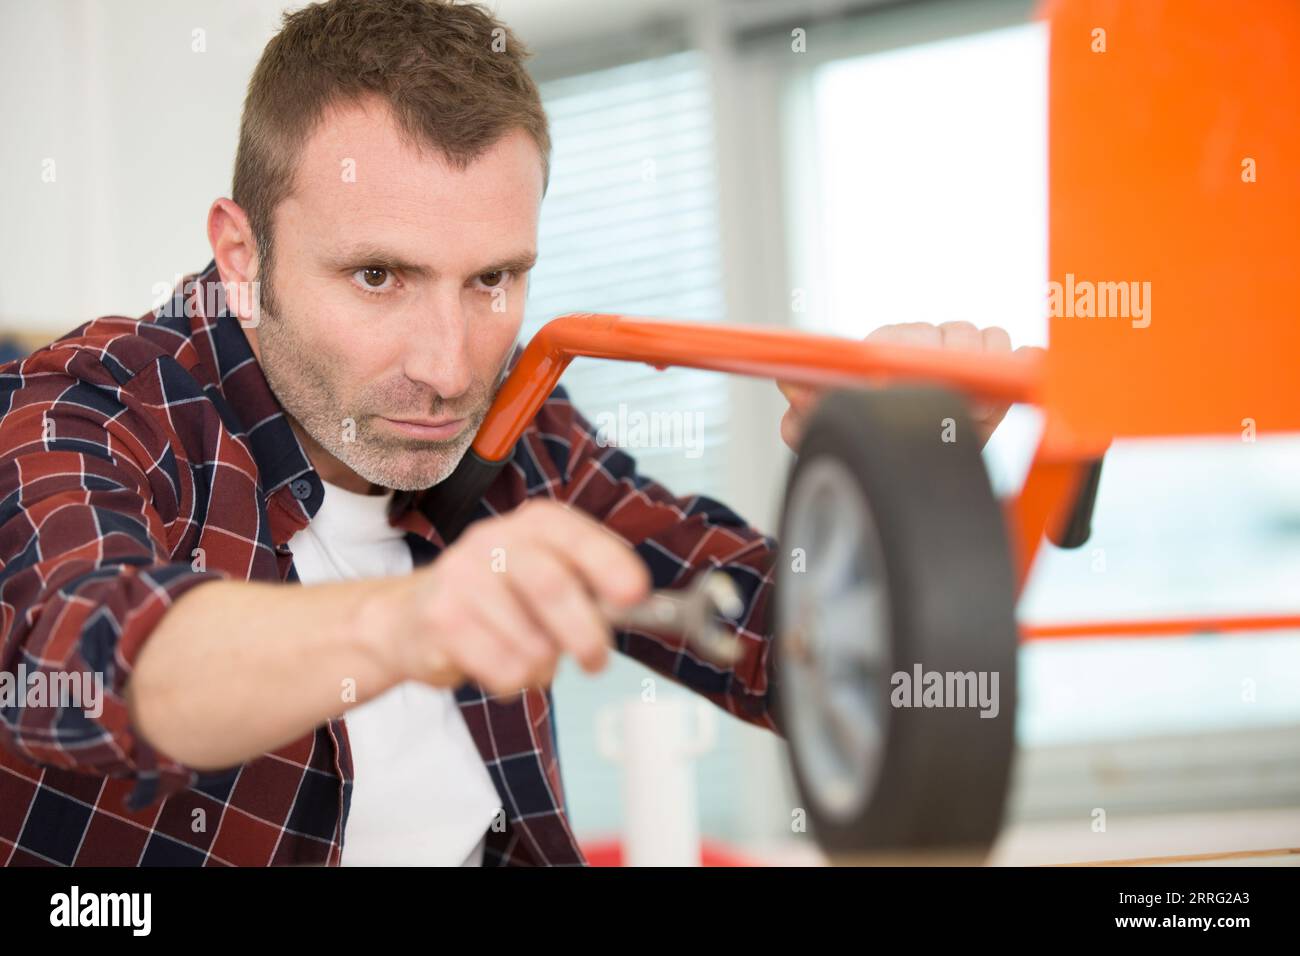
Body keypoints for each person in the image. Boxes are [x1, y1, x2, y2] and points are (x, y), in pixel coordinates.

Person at [0, 0, 1021, 867]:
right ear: (240, 252)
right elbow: (85, 664)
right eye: (377, 276)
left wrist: (919, 494)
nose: (448, 368)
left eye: (492, 278)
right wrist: (406, 622)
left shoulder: (520, 425)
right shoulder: (82, 404)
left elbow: (786, 653)